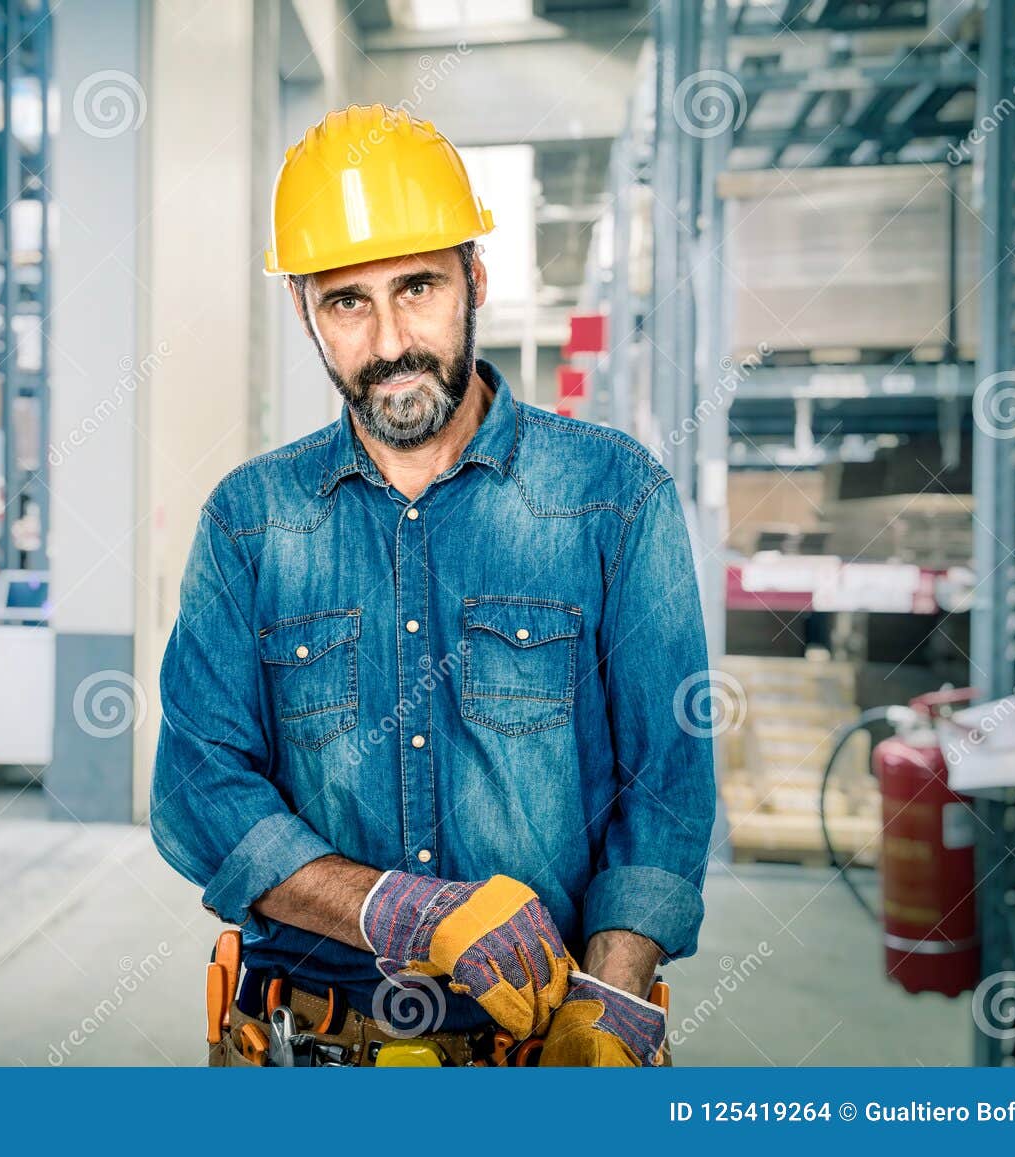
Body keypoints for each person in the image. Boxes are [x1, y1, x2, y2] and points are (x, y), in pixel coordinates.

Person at [149, 104, 714, 1067]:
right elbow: (200, 788)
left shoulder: (614, 498)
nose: (390, 340)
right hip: (311, 1046)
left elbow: (663, 785)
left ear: (475, 280)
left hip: (540, 1049)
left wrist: (610, 999)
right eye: (346, 302)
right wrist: (400, 910)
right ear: (306, 312)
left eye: (418, 286)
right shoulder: (250, 521)